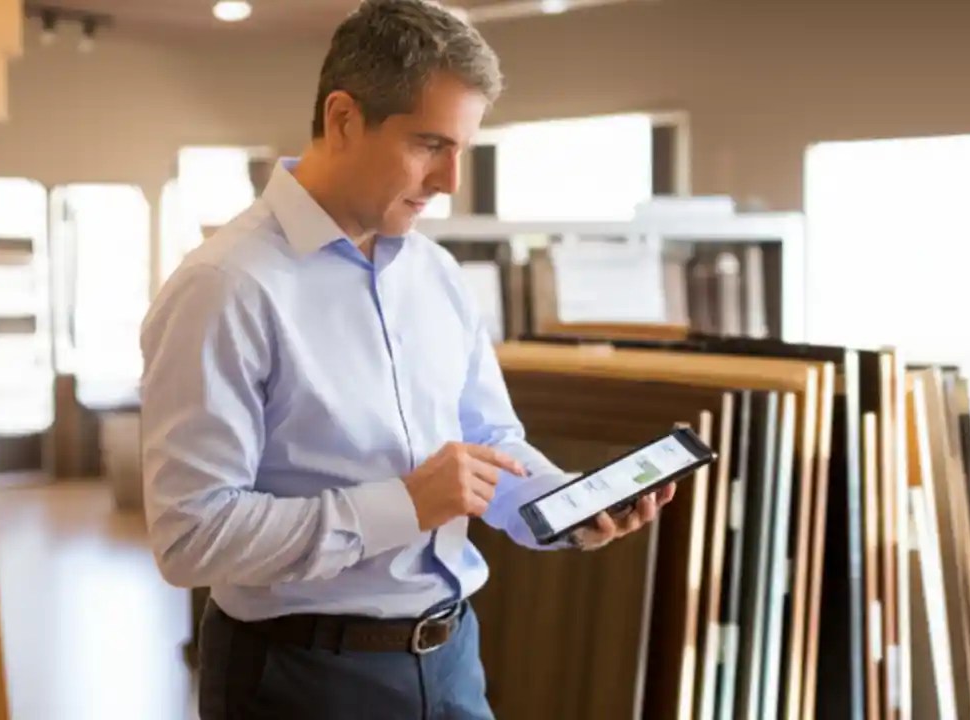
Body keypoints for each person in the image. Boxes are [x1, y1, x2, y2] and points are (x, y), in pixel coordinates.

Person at [139, 1, 675, 717]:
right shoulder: (224, 287)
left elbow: (489, 443)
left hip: (452, 662)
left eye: (463, 149)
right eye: (430, 145)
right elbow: (191, 537)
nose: (451, 180)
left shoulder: (435, 273)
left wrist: (560, 508)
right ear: (343, 119)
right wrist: (404, 506)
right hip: (299, 678)